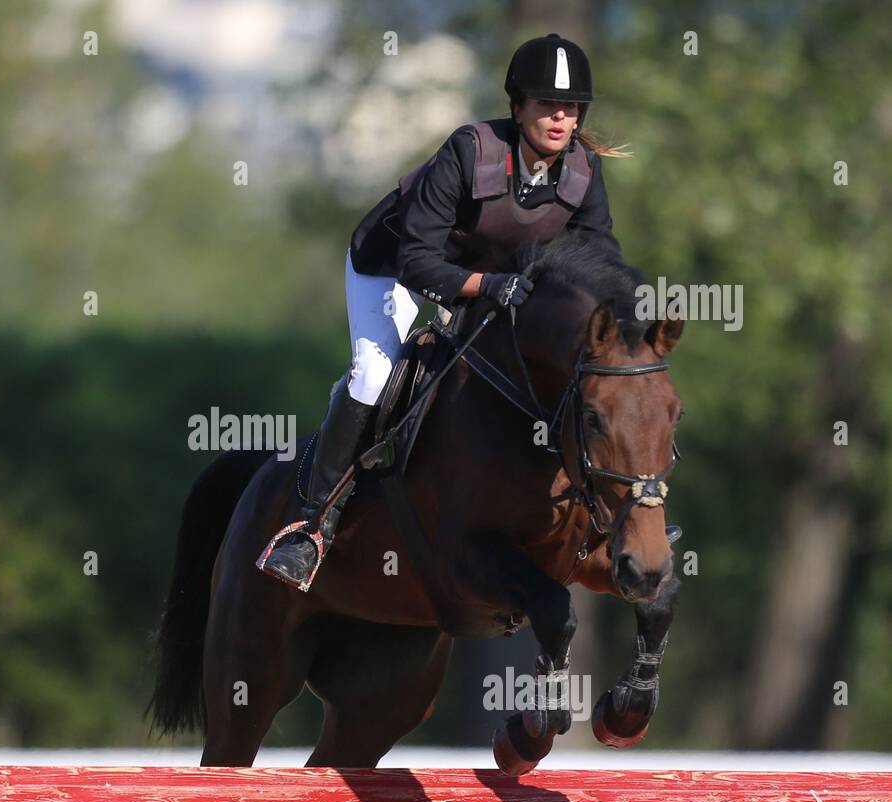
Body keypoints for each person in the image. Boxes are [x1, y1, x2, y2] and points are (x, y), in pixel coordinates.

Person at [259, 33, 672, 590]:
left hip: (492, 281)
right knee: (375, 374)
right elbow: (418, 262)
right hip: (395, 268)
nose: (558, 117)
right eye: (546, 104)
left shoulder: (583, 171)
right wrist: (488, 285)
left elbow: (600, 256)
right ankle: (312, 526)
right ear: (517, 106)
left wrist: (629, 325)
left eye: (569, 108)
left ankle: (606, 520)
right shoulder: (469, 152)